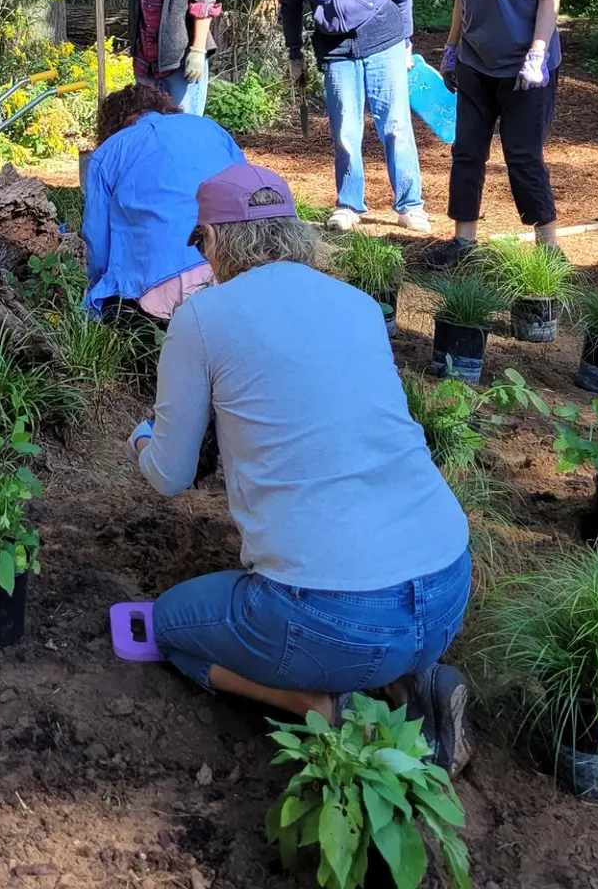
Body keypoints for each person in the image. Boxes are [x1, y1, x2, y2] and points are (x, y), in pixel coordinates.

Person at [128, 163, 472, 774]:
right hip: (446, 589)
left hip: (329, 614)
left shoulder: (203, 317)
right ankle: (409, 687)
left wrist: (141, 440)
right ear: (292, 231)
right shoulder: (358, 305)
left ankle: (323, 704)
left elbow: (169, 475)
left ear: (209, 239)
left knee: (171, 627)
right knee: (376, 619)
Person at [427, 0, 564, 268]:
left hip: (526, 68)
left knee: (523, 155)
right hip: (475, 61)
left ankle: (547, 244)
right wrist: (451, 49)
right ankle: (463, 242)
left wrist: (537, 53)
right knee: (467, 151)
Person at [280, 0, 429, 234]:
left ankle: (411, 206)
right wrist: (294, 54)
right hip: (335, 51)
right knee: (345, 130)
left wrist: (406, 43)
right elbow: (289, 7)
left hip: (384, 42)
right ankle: (348, 204)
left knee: (394, 126)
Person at [82, 83, 244, 320]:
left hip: (158, 295)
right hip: (237, 270)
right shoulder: (211, 128)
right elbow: (249, 189)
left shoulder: (108, 152)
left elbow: (97, 242)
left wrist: (95, 285)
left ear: (112, 124)